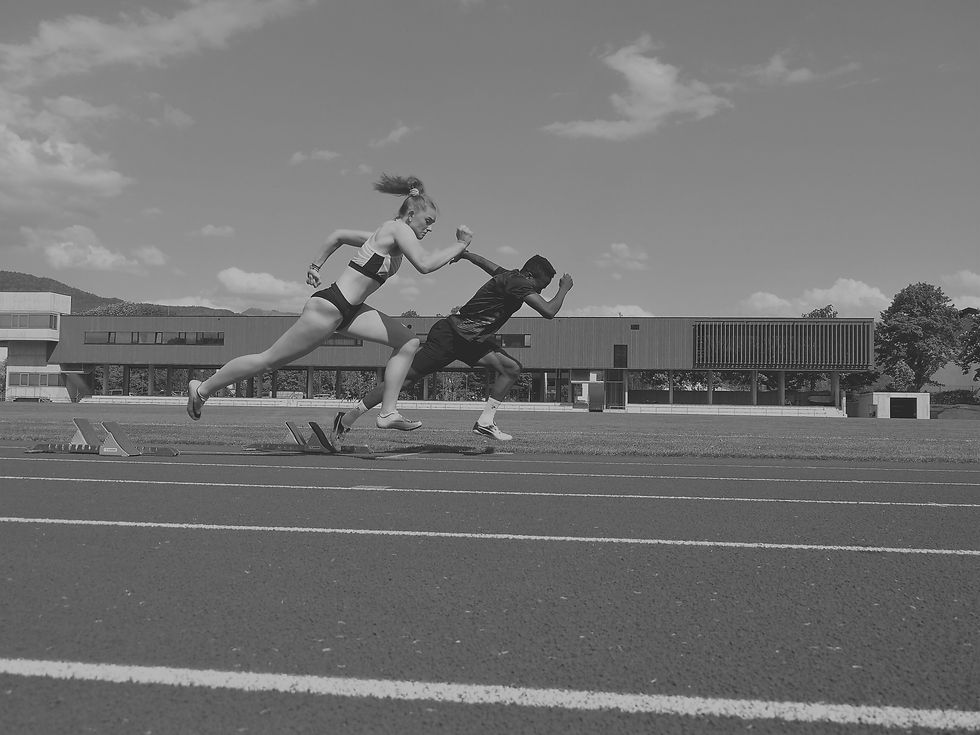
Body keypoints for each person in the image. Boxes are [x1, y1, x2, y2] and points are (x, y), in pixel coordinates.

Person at [186, 174, 472, 433]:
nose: (429, 229)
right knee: (268, 361)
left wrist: (316, 265)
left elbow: (338, 236)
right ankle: (202, 390)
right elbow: (424, 264)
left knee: (408, 342)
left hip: (351, 311)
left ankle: (387, 412)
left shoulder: (387, 235)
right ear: (410, 215)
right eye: (428, 222)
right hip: (330, 306)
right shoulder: (396, 229)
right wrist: (459, 245)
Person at [327, 250, 573, 445]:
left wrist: (466, 255)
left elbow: (487, 265)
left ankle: (485, 422)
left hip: (470, 340)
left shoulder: (511, 276)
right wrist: (564, 288)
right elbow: (549, 311)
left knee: (511, 368)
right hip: (451, 336)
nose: (540, 291)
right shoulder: (520, 283)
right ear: (530, 276)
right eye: (541, 285)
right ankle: (347, 418)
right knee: (404, 380)